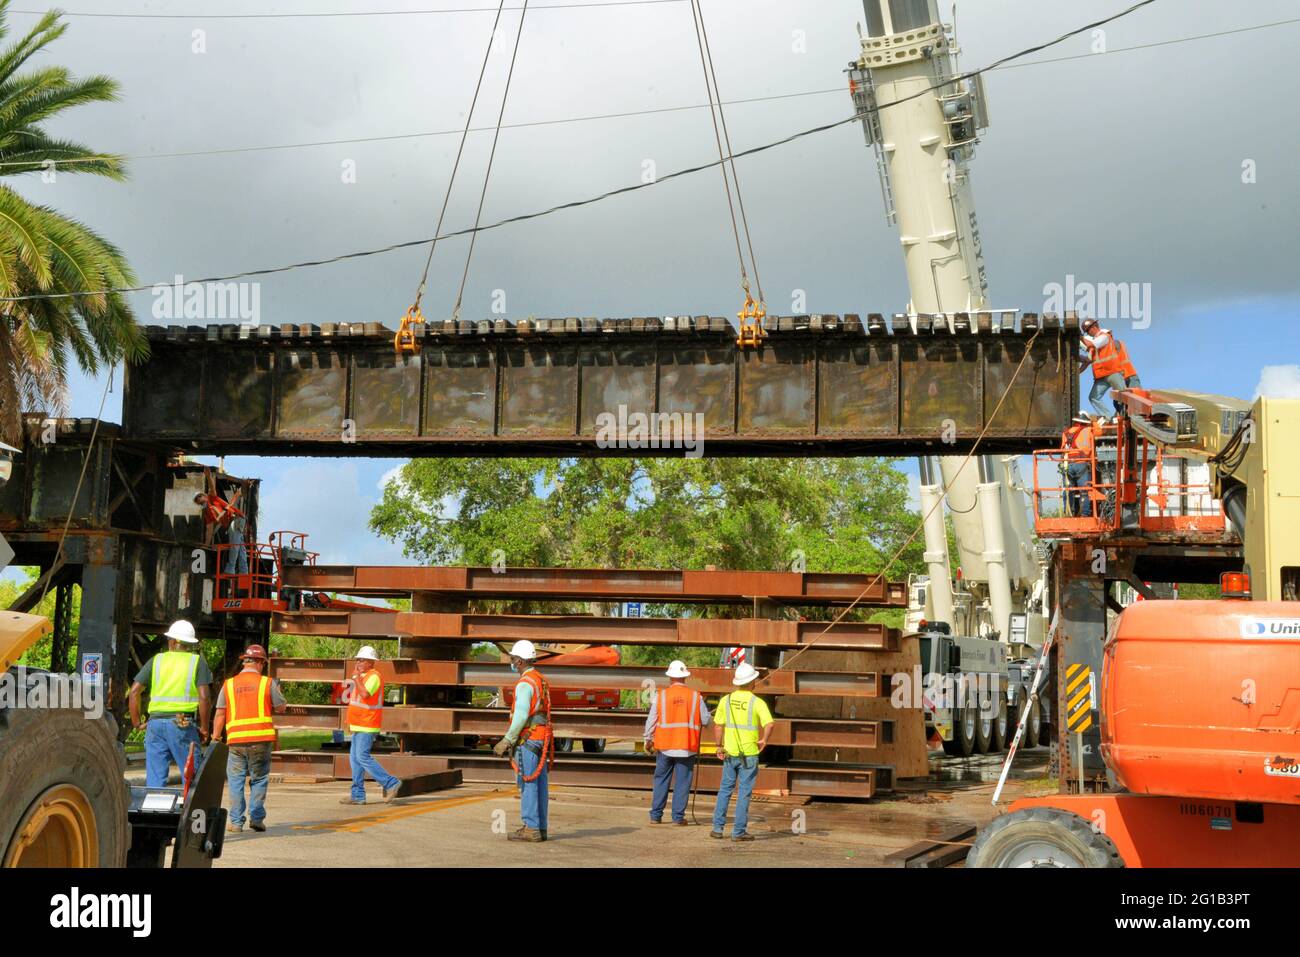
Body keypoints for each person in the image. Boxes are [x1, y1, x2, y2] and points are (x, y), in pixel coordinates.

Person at [127, 620, 212, 788]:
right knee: (191, 778)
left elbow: (134, 692)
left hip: (155, 725)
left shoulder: (157, 660)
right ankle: (190, 812)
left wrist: (136, 723)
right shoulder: (196, 662)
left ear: (173, 642)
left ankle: (154, 811)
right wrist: (204, 728)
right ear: (189, 644)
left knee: (155, 780)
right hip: (182, 724)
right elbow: (204, 697)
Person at [212, 644, 286, 833]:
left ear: (244, 661)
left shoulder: (228, 684)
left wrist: (215, 737)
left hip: (235, 741)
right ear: (261, 662)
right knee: (259, 779)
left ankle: (236, 822)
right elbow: (281, 708)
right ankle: (256, 819)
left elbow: (220, 713)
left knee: (236, 781)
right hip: (260, 740)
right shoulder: (267, 683)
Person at [491, 640, 552, 842]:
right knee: (539, 783)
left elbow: (521, 714)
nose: (511, 662)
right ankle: (540, 827)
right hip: (541, 737)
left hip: (529, 738)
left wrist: (507, 740)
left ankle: (531, 827)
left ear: (518, 661)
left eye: (512, 659)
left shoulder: (525, 684)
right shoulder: (540, 679)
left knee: (528, 783)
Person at [709, 662, 774, 843]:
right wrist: (764, 739)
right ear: (753, 681)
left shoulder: (726, 700)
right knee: (744, 793)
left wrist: (718, 746)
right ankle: (738, 832)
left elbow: (718, 726)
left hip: (730, 753)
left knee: (724, 790)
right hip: (749, 754)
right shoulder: (757, 702)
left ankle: (717, 828)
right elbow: (769, 724)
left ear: (738, 682)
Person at [644, 660, 711, 825]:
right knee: (682, 782)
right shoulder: (696, 697)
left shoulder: (661, 696)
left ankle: (656, 816)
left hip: (665, 746)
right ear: (685, 677)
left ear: (670, 678)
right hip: (686, 747)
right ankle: (678, 818)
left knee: (660, 780)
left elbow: (651, 721)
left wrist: (647, 739)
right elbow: (706, 720)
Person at [340, 645, 402, 806]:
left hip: (367, 724)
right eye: (358, 659)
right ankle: (358, 795)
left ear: (370, 662)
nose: (358, 662)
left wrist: (356, 679)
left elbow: (365, 694)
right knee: (355, 760)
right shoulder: (363, 676)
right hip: (358, 724)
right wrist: (350, 723)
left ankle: (391, 783)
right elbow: (356, 703)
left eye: (362, 660)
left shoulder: (374, 676)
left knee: (362, 757)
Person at [1078, 318, 1137, 417]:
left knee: (1123, 396)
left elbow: (1090, 344)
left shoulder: (1104, 337)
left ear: (1094, 327)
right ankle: (1109, 418)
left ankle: (1127, 418)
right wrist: (1076, 371)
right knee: (1093, 397)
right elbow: (1087, 361)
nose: (1088, 333)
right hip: (1102, 377)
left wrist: (1079, 336)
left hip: (1113, 372)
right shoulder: (1094, 346)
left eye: (1088, 331)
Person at [194, 470, 248, 576]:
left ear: (204, 495)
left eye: (200, 497)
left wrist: (208, 476)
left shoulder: (212, 498)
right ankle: (244, 571)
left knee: (235, 544)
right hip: (234, 522)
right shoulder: (207, 513)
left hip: (236, 519)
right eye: (198, 500)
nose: (200, 500)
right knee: (240, 547)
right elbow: (209, 531)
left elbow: (212, 487)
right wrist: (206, 545)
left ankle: (230, 569)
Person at [1062, 414, 1097, 517]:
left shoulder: (1066, 433)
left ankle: (1069, 513)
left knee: (1068, 491)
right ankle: (1085, 514)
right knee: (1085, 491)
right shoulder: (1088, 430)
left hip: (1067, 464)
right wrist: (1094, 422)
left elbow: (1063, 450)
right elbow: (1100, 431)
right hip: (1082, 463)